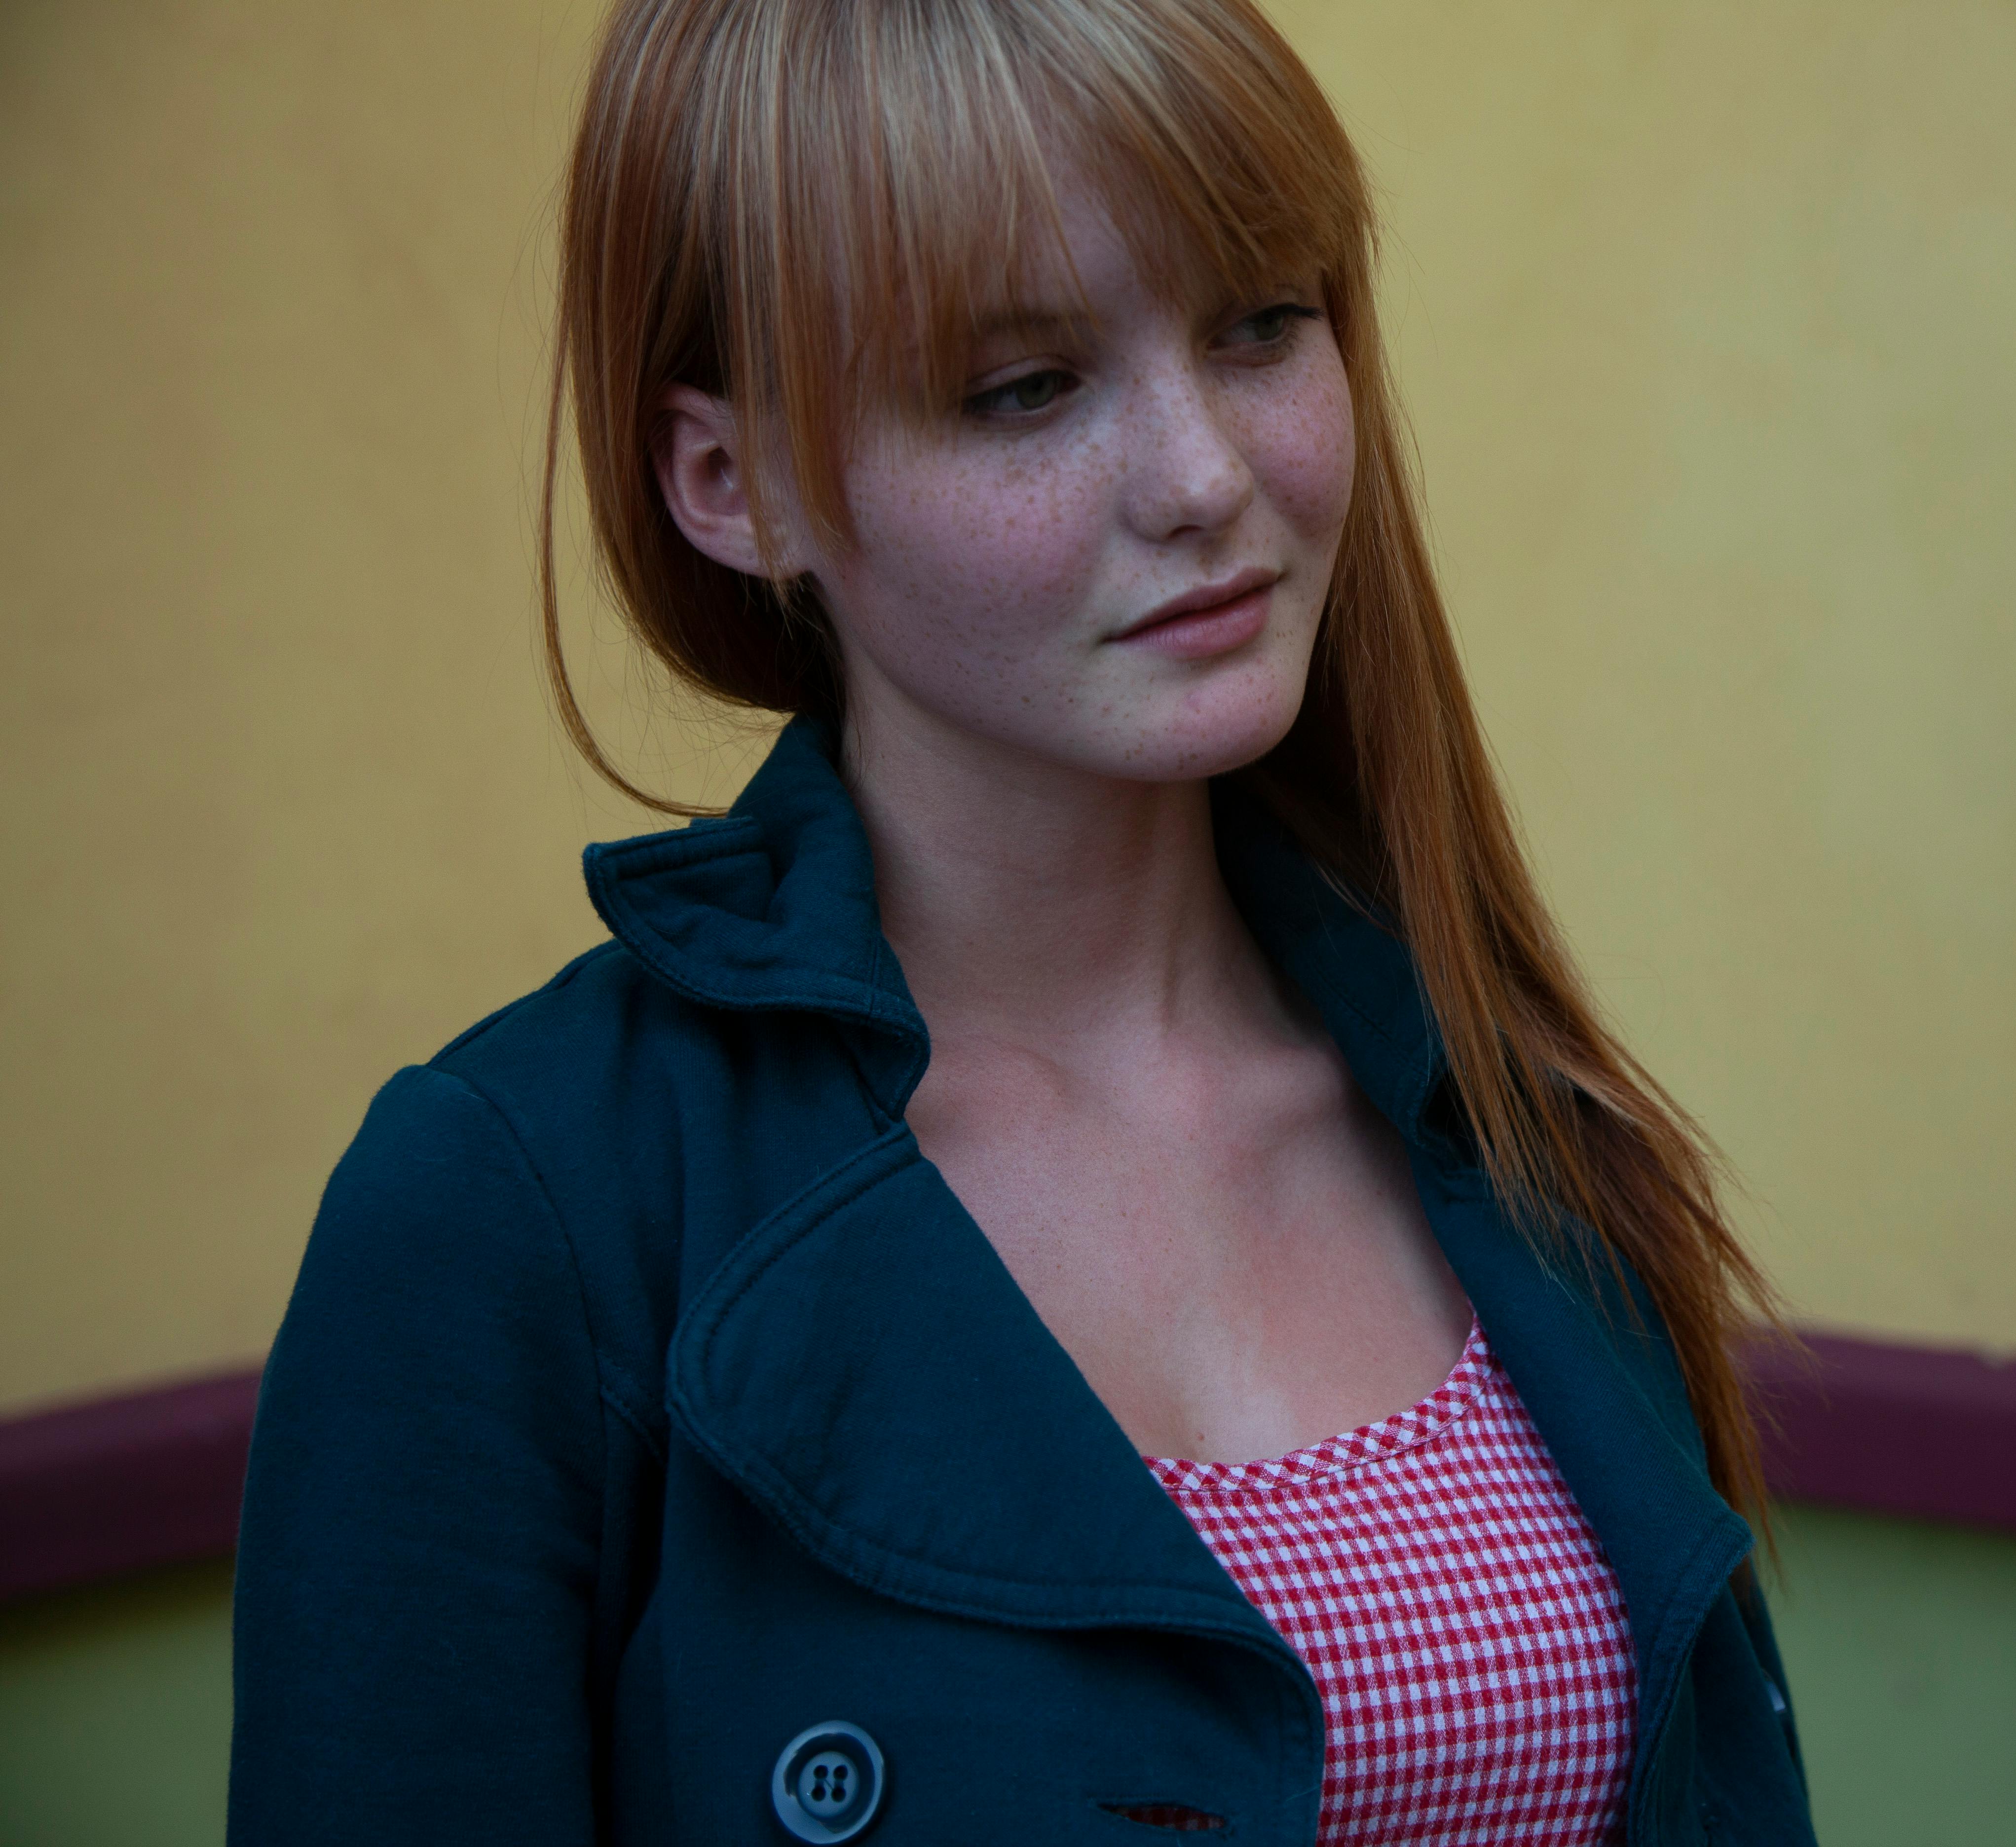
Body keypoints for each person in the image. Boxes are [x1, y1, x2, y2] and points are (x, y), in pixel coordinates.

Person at [228, 0, 1813, 1841]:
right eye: (1023, 388)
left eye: (1259, 323)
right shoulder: (519, 1218)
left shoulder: (1513, 1113)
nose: (1204, 477)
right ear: (733, 485)